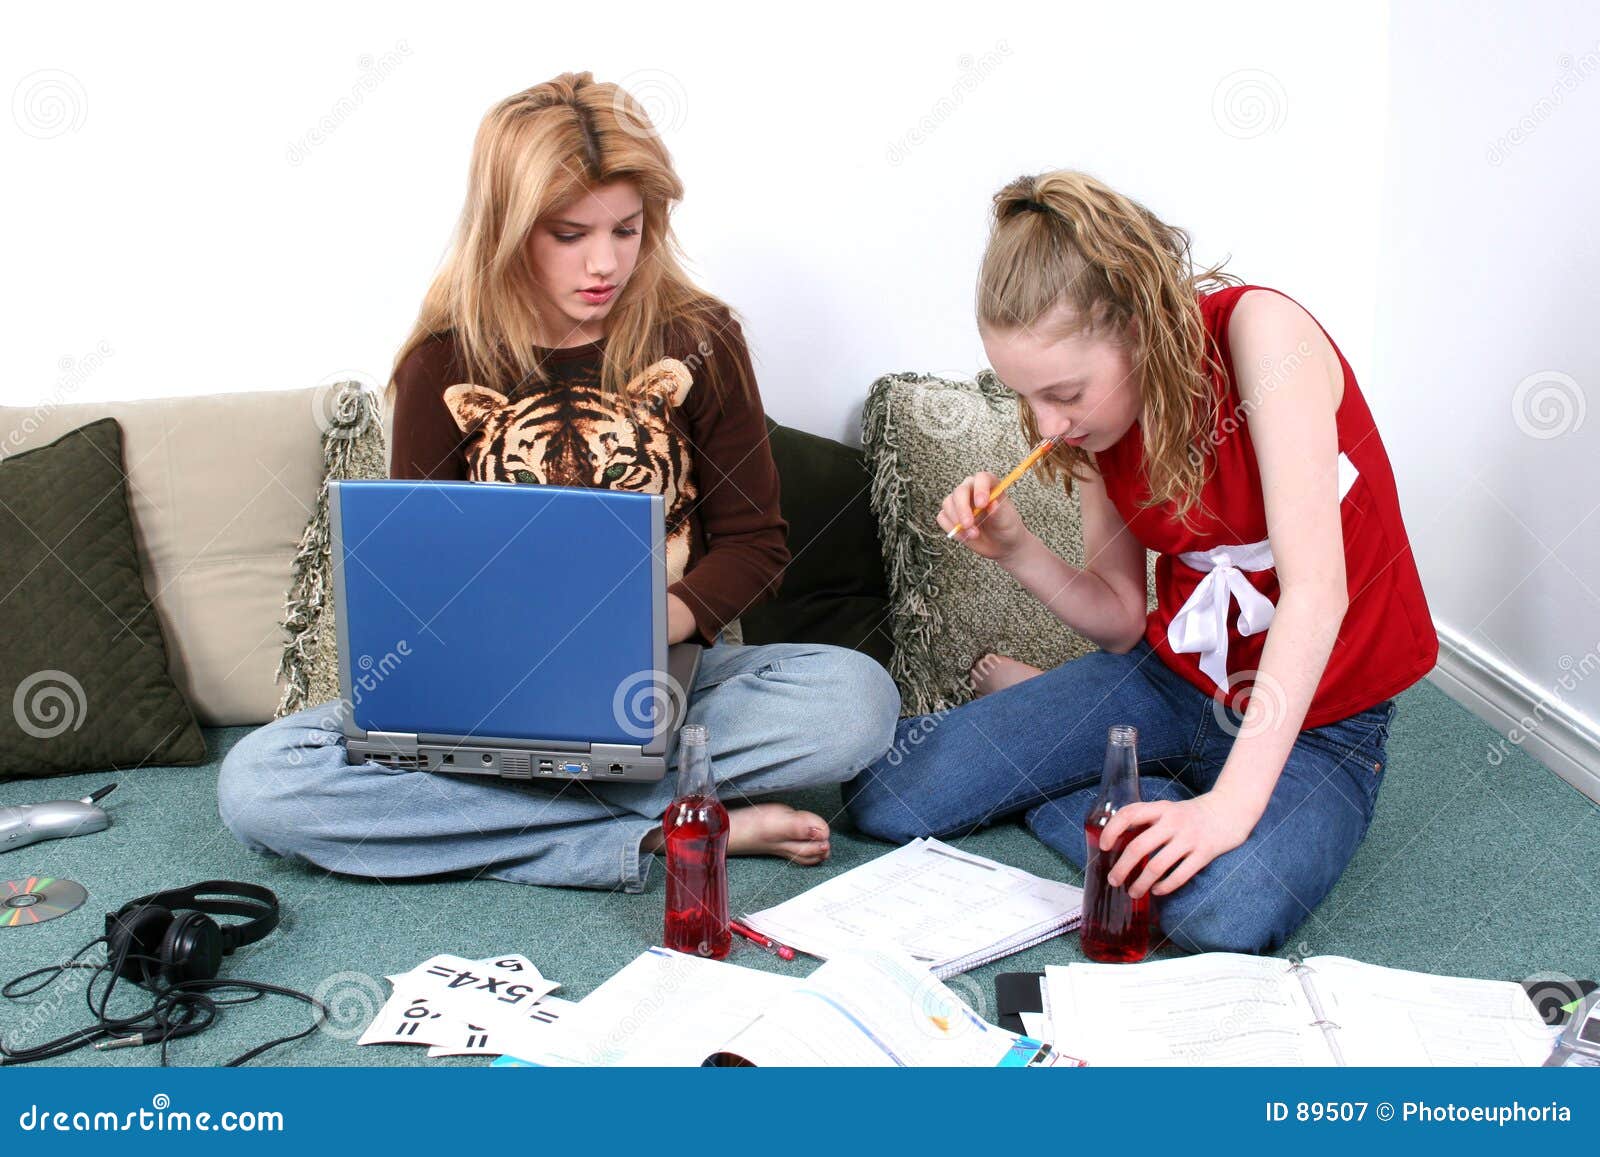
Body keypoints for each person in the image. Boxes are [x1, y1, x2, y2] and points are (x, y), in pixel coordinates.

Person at [218, 72, 899, 894]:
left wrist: (651, 620)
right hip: (489, 694)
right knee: (258, 782)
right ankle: (657, 831)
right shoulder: (443, 358)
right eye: (570, 233)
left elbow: (758, 545)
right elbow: (420, 577)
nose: (605, 262)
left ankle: (513, 820)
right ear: (507, 229)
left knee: (857, 701)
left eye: (627, 228)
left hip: (659, 676)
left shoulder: (703, 338)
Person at [844, 170, 1438, 954]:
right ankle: (1135, 790)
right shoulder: (1091, 432)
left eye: (1064, 392)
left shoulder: (1264, 335)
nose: (1048, 426)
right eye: (1029, 397)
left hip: (1318, 729)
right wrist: (1017, 548)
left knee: (1222, 912)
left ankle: (1123, 787)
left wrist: (1226, 810)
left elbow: (1318, 593)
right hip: (1167, 682)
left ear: (1137, 324)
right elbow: (1123, 620)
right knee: (888, 794)